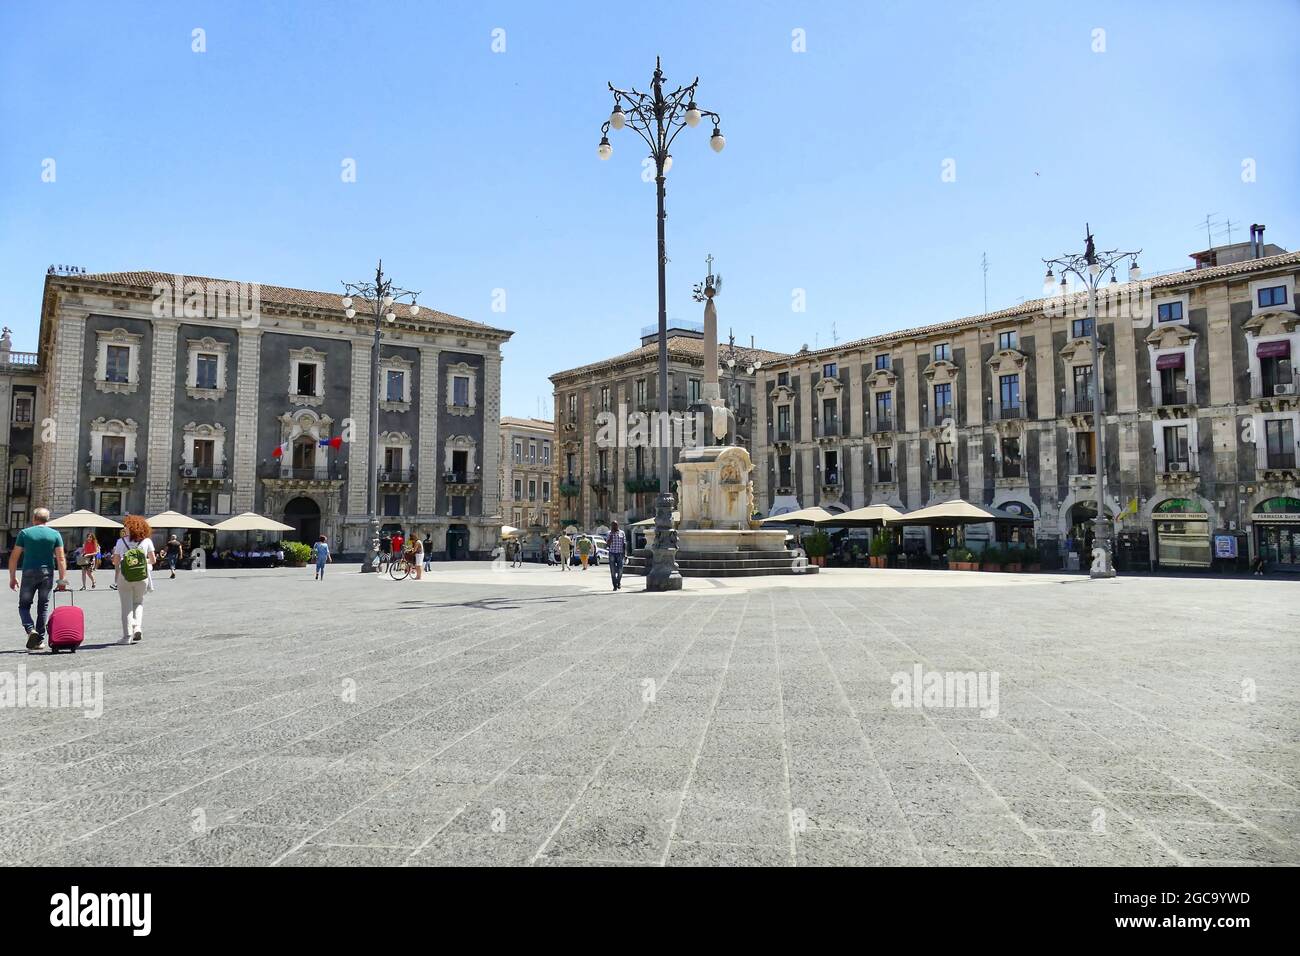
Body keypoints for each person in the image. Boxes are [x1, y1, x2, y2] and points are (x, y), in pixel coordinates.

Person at [8, 507, 68, 652]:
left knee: (24, 606)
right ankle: (39, 640)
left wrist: (12, 577)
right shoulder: (55, 534)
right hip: (47, 573)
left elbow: (14, 557)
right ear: (48, 520)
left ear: (34, 519)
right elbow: (60, 558)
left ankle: (30, 630)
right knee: (43, 606)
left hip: (28, 572)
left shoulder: (25, 533)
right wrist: (62, 580)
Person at [111, 514, 156, 645]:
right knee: (138, 602)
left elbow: (116, 562)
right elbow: (153, 560)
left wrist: (126, 560)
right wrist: (140, 561)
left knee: (126, 606)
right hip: (142, 576)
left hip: (125, 576)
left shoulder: (121, 541)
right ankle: (137, 627)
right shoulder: (147, 541)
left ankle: (127, 637)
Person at [607, 520, 627, 592]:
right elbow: (608, 544)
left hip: (620, 553)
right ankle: (615, 585)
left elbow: (624, 544)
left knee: (620, 570)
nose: (614, 526)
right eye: (613, 525)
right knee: (612, 571)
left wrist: (625, 554)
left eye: (615, 525)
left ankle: (618, 581)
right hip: (612, 553)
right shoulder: (609, 533)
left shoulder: (622, 533)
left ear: (617, 525)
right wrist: (611, 537)